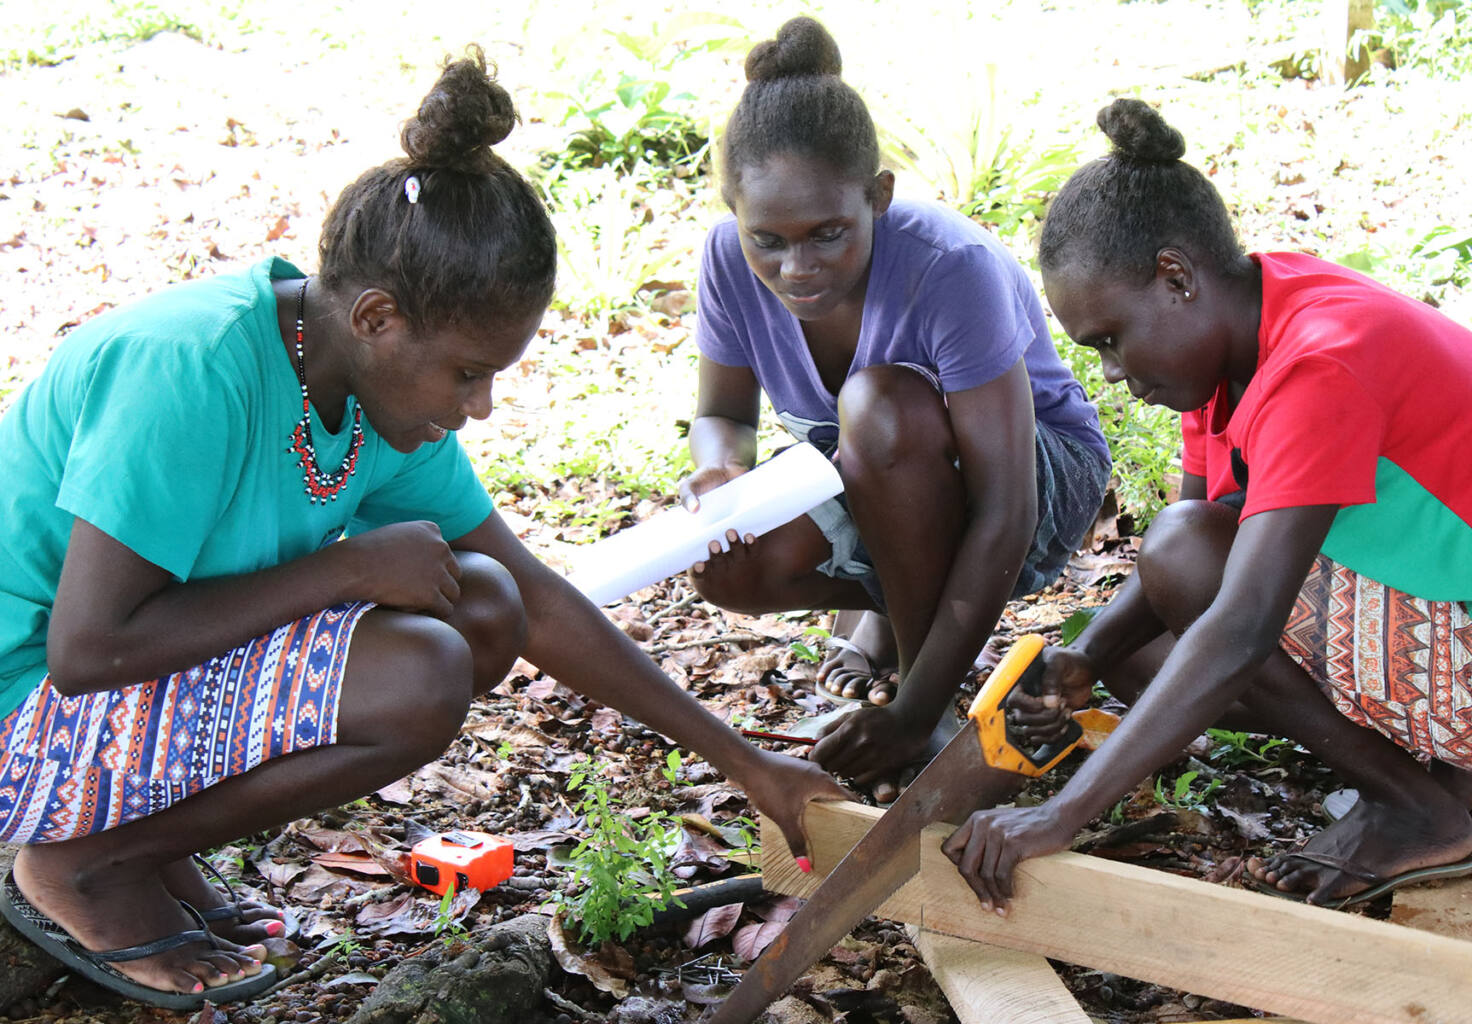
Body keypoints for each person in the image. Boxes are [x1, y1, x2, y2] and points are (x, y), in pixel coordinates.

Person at [0, 48, 846, 1010]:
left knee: (478, 603)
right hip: (21, 700)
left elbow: (529, 596)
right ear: (377, 316)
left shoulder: (369, 390)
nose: (480, 406)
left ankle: (143, 848)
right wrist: (349, 568)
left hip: (111, 694)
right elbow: (87, 649)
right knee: (419, 670)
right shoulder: (189, 372)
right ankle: (89, 863)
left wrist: (744, 761)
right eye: (468, 373)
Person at [942, 97, 1472, 911]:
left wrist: (1063, 815)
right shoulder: (1241, 326)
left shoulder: (1319, 364)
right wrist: (1087, 659)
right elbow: (1189, 570)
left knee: (1190, 576)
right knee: (1143, 650)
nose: (1112, 372)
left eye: (1110, 339)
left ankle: (1419, 808)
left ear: (1176, 277)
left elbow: (1234, 612)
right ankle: (1450, 766)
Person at [679, 16, 1111, 801]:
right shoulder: (725, 259)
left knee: (878, 404)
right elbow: (725, 412)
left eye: (828, 235)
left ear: (878, 196)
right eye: (767, 239)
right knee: (732, 567)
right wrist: (719, 469)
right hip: (884, 473)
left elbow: (1007, 510)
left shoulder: (951, 269)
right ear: (733, 212)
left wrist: (913, 713)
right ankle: (897, 607)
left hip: (1037, 480)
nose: (796, 267)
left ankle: (926, 689)